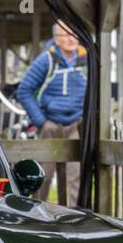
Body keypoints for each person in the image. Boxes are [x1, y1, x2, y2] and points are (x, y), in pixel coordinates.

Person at [16, 21, 87, 203]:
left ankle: (74, 219)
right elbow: (24, 90)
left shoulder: (87, 61)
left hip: (75, 126)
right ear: (56, 38)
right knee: (44, 177)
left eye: (74, 34)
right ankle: (37, 214)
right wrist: (41, 121)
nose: (72, 39)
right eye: (66, 35)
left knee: (75, 176)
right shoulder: (46, 60)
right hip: (50, 125)